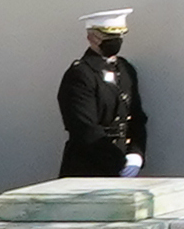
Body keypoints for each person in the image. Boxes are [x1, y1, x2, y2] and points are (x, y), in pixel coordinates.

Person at [53, 9, 148, 178]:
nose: (115, 42)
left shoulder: (125, 69)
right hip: (89, 167)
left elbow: (137, 117)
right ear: (91, 38)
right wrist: (117, 162)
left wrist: (136, 153)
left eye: (119, 37)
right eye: (109, 37)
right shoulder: (81, 74)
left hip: (123, 162)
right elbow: (84, 128)